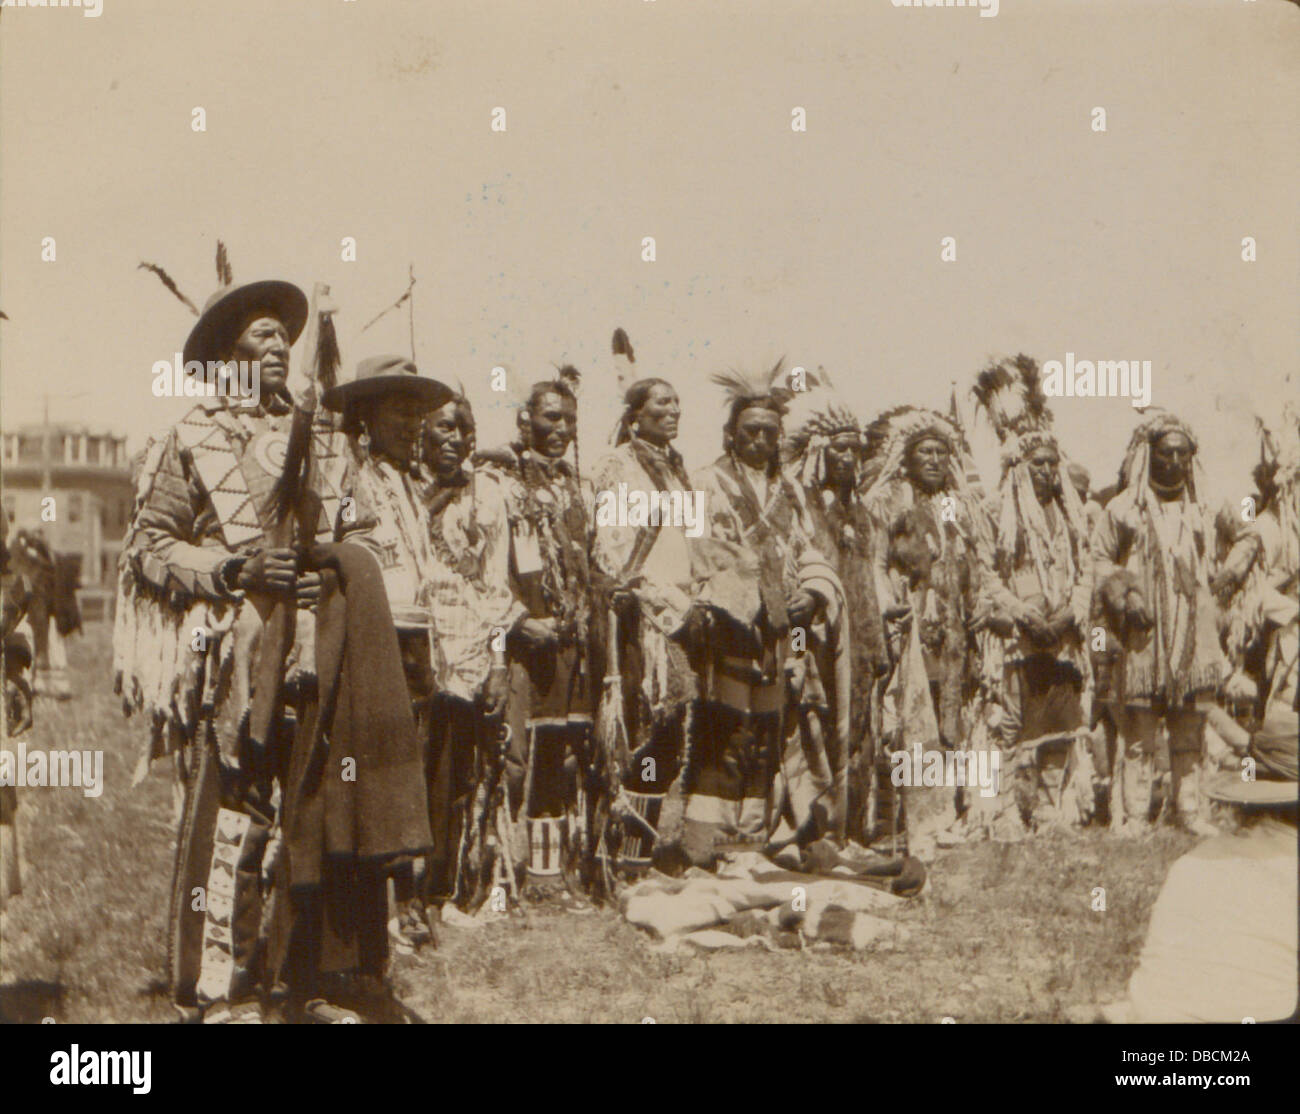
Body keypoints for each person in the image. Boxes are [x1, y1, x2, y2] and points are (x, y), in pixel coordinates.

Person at [115, 280, 428, 1023]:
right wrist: (235, 570)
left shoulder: (323, 437)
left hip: (327, 645)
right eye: (260, 336)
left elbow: (365, 531)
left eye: (284, 337)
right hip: (236, 651)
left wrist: (336, 566)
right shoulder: (190, 436)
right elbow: (149, 547)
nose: (279, 346)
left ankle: (319, 977)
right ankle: (222, 988)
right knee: (239, 811)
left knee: (323, 804)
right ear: (227, 357)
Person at [680, 362, 840, 864]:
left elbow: (812, 549)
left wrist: (812, 594)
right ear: (731, 434)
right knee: (727, 730)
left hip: (786, 633)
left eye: (770, 432)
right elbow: (699, 552)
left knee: (776, 725)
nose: (760, 441)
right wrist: (749, 589)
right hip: (731, 628)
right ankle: (710, 845)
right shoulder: (705, 483)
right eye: (750, 431)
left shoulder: (792, 490)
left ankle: (760, 836)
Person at [324, 355, 454, 950]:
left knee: (414, 767)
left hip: (416, 638)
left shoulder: (407, 482)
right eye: (398, 410)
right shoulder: (351, 476)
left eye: (416, 412)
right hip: (378, 640)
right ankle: (380, 915)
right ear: (366, 418)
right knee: (378, 773)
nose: (412, 423)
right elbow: (348, 557)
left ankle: (408, 900)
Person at [476, 370, 596, 902]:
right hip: (516, 640)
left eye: (569, 419)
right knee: (512, 757)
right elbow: (484, 564)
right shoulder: (497, 480)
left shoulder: (577, 485)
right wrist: (522, 621)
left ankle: (549, 874)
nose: (562, 428)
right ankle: (494, 874)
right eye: (551, 417)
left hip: (569, 639)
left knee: (562, 750)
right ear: (525, 420)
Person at [861, 406, 996, 846]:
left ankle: (955, 810)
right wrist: (890, 605)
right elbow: (876, 563)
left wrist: (982, 606)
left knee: (952, 713)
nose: (935, 460)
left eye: (942, 452)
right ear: (908, 458)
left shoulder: (959, 507)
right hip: (914, 624)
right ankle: (910, 816)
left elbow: (979, 563)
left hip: (958, 628)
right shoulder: (889, 502)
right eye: (926, 452)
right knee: (910, 717)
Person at [971, 357, 1095, 833]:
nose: (1045, 472)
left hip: (1061, 635)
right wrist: (1022, 612)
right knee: (1006, 724)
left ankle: (1047, 808)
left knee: (1060, 724)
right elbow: (988, 575)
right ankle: (1002, 812)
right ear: (1019, 467)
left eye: (1051, 464)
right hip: (1016, 639)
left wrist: (1071, 614)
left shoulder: (1072, 515)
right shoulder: (995, 512)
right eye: (1036, 464)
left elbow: (1087, 570)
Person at [1091, 411, 1227, 834]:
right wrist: (1125, 593)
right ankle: (1134, 815)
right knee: (1140, 732)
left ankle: (1187, 810)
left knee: (1189, 729)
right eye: (1165, 452)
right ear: (1149, 455)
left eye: (1182, 453)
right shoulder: (1123, 509)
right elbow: (1097, 560)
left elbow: (1245, 539)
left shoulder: (1204, 508)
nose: (1174, 460)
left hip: (1192, 633)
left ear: (1191, 458)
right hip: (1143, 636)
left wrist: (1224, 586)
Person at [416, 386, 520, 910]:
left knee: (457, 773)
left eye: (461, 427)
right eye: (442, 428)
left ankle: (446, 885)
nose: (454, 439)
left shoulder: (487, 495)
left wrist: (499, 664)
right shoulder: (401, 490)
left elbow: (497, 589)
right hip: (414, 651)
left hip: (470, 656)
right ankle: (401, 890)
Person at [588, 378, 698, 873]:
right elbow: (612, 550)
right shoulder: (618, 466)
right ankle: (616, 855)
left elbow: (692, 544)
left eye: (677, 402)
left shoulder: (677, 469)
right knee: (638, 731)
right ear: (635, 416)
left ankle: (640, 854)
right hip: (638, 620)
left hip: (679, 619)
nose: (674, 410)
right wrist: (658, 602)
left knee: (668, 732)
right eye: (662, 403)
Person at [781, 394, 888, 848]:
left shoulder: (864, 513)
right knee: (813, 725)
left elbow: (873, 574)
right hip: (818, 638)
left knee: (859, 727)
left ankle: (849, 828)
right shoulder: (801, 505)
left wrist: (882, 632)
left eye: (855, 450)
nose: (849, 458)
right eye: (839, 449)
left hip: (860, 639)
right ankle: (809, 827)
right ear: (818, 452)